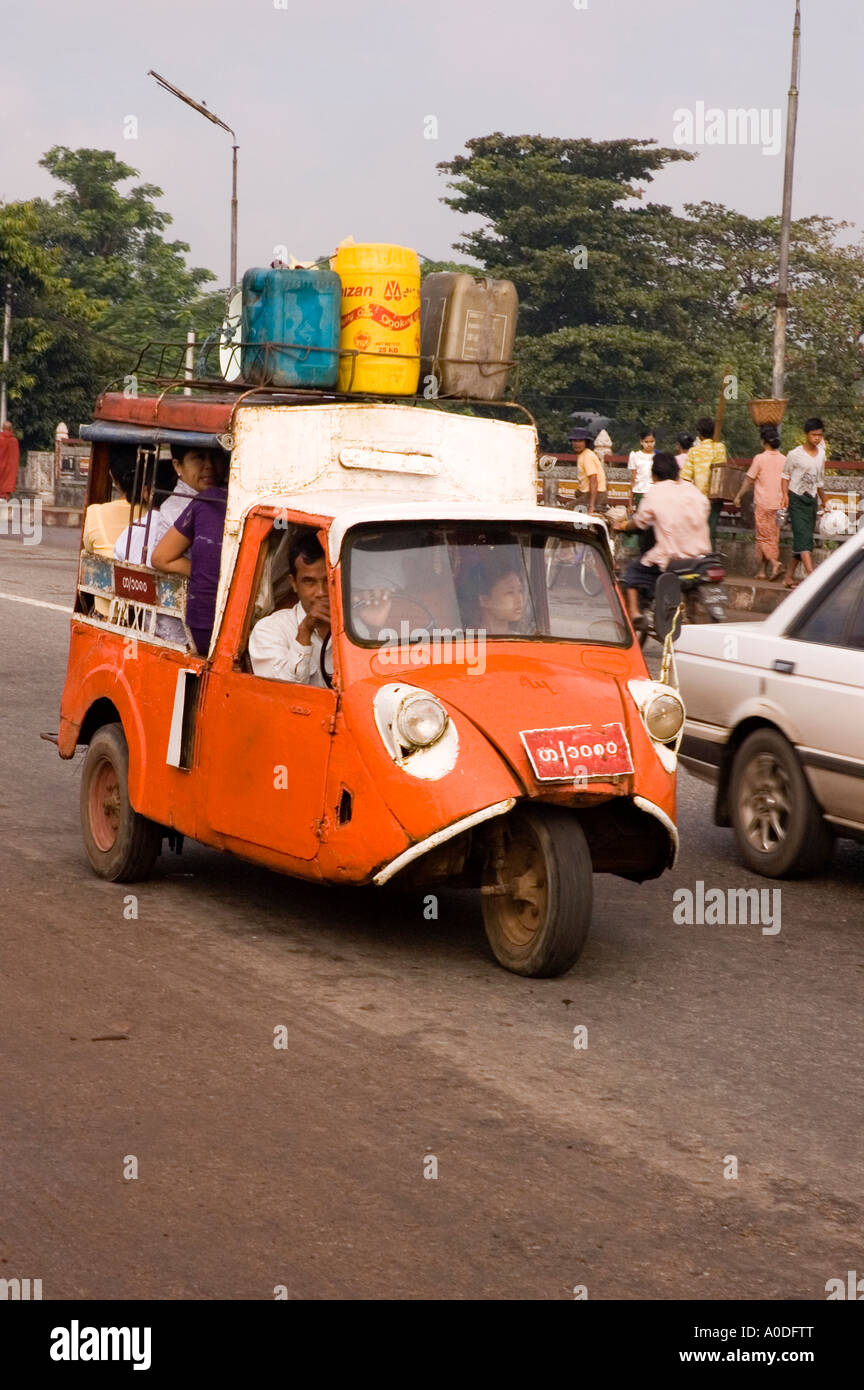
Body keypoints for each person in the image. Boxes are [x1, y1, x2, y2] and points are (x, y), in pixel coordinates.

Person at [612, 453, 710, 630]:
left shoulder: (655, 492)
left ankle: (635, 614)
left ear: (654, 474)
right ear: (676, 471)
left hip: (672, 556)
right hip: (701, 557)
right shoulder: (692, 489)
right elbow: (706, 507)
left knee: (631, 574)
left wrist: (623, 526)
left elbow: (640, 521)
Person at [151, 471, 228, 655]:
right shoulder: (206, 501)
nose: (209, 466)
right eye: (199, 457)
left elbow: (161, 557)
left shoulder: (207, 499)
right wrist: (212, 573)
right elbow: (160, 558)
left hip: (200, 624)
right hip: (209, 624)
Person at [248, 529, 332, 684]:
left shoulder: (355, 627)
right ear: (293, 583)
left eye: (328, 581)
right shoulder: (269, 630)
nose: (321, 592)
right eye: (309, 581)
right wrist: (304, 632)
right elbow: (284, 693)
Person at [733, 426, 785, 581]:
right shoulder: (784, 459)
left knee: (763, 537)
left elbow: (749, 479)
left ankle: (775, 563)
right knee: (772, 537)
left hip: (763, 503)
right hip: (779, 504)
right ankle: (762, 571)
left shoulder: (760, 458)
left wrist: (738, 496)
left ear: (764, 442)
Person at [781, 416, 827, 588]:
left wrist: (825, 501)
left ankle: (788, 577)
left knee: (804, 540)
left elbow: (820, 480)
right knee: (803, 538)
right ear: (806, 435)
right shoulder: (794, 454)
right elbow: (785, 476)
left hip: (811, 499)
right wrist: (784, 495)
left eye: (819, 435)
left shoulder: (822, 454)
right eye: (814, 435)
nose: (817, 438)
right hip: (796, 499)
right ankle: (813, 578)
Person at [681, 417, 727, 547]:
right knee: (710, 530)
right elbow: (721, 470)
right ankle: (710, 559)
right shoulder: (720, 448)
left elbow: (685, 477)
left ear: (699, 434)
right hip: (716, 496)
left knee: (697, 530)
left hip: (698, 498)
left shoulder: (694, 451)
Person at [627, 427, 656, 555]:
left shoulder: (657, 457)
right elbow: (633, 478)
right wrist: (630, 500)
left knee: (653, 524)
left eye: (651, 441)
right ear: (641, 442)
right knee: (641, 523)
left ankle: (651, 551)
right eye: (646, 441)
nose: (649, 444)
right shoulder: (635, 456)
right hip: (640, 493)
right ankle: (642, 551)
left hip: (654, 494)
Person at [568, 428, 607, 514]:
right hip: (588, 494)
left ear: (586, 442)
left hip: (596, 495)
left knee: (567, 510)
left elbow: (593, 480)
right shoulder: (582, 455)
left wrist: (591, 505)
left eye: (580, 441)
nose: (577, 444)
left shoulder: (587, 456)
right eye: (574, 441)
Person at [0, 420, 20, 501]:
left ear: (2, 428)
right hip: (9, 470)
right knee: (6, 486)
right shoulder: (14, 441)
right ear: (11, 429)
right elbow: (15, 457)